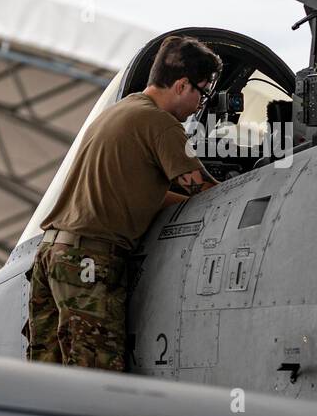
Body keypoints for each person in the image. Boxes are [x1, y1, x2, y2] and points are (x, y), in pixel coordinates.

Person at [26, 35, 222, 371]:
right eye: (201, 92)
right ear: (181, 85)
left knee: (47, 376)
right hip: (88, 260)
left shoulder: (121, 112)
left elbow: (141, 191)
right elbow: (202, 189)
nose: (199, 104)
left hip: (52, 254)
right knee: (96, 376)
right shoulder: (161, 124)